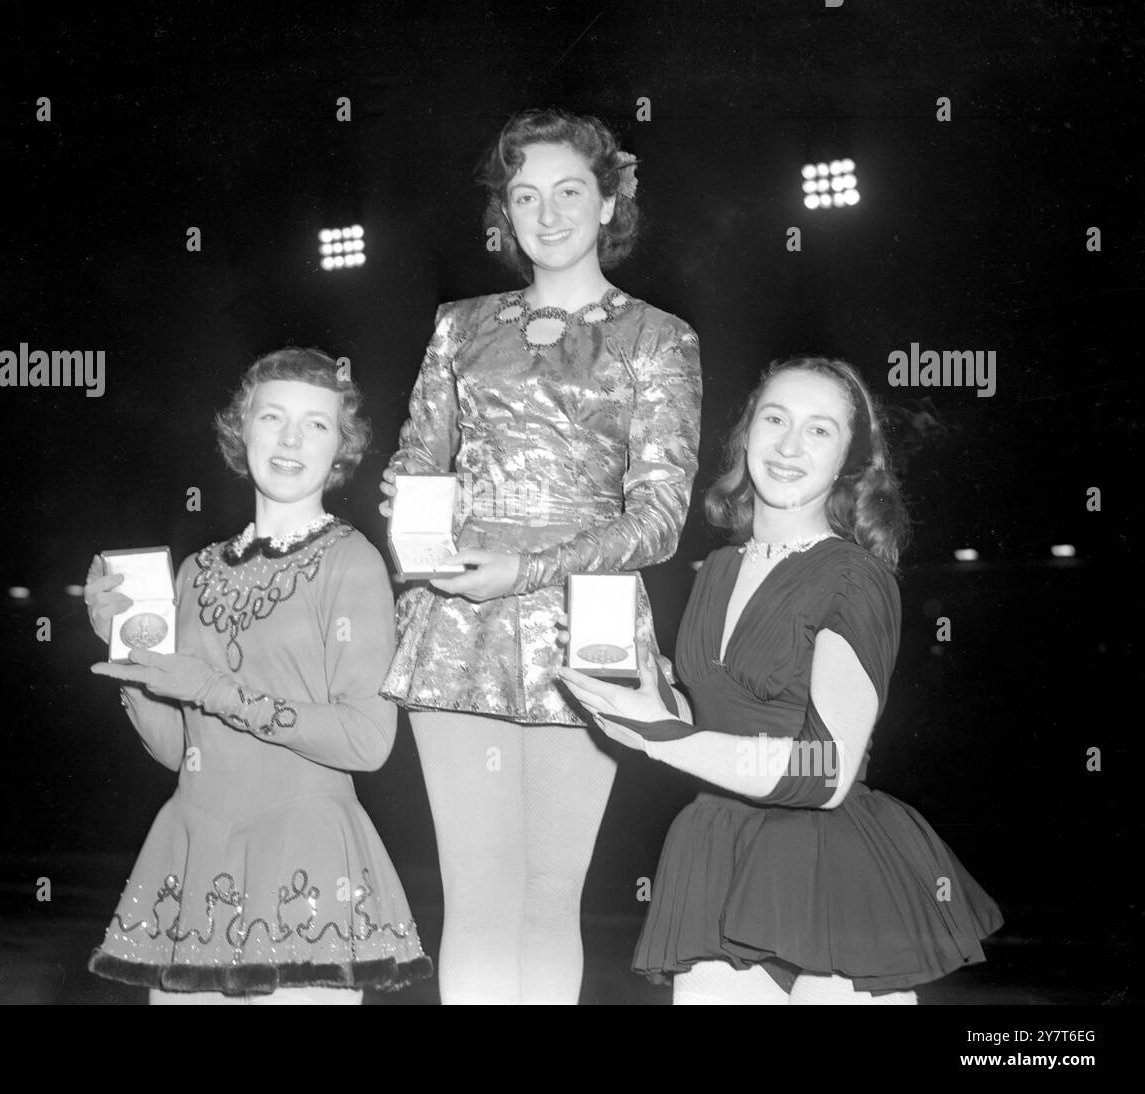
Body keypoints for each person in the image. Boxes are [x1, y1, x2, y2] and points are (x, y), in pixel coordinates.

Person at [378, 109, 702, 1004]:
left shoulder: (660, 339)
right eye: (526, 195)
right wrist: (418, 530)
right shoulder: (460, 326)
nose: (547, 214)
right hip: (458, 626)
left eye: (569, 193)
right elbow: (414, 465)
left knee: (552, 893)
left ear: (609, 204)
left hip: (584, 626)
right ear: (505, 213)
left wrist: (525, 568)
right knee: (476, 895)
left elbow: (661, 518)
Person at [558, 356, 1003, 1005]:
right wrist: (658, 701)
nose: (790, 445)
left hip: (830, 868)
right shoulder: (716, 568)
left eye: (820, 430)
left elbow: (824, 773)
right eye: (776, 418)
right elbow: (716, 720)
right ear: (745, 434)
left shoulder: (855, 577)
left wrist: (658, 738)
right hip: (716, 851)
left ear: (851, 463)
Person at [83, 348, 432, 1005]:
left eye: (317, 425)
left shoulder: (351, 562)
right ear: (241, 429)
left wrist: (211, 687)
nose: (292, 439)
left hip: (305, 856)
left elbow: (368, 739)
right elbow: (175, 749)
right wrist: (126, 653)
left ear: (342, 447)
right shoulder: (194, 572)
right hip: (194, 851)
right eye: (273, 417)